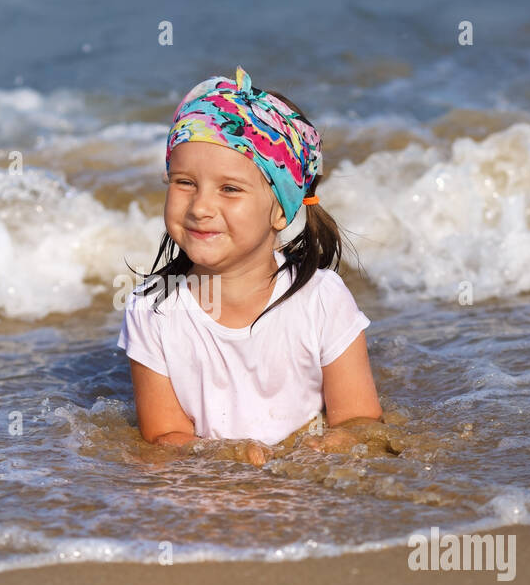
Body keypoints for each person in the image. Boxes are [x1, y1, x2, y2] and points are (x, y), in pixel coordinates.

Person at [118, 65, 384, 466]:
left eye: (229, 189)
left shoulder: (322, 299)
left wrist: (330, 447)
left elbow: (361, 419)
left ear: (280, 210)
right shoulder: (152, 310)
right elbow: (164, 435)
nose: (201, 207)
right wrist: (221, 457)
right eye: (184, 182)